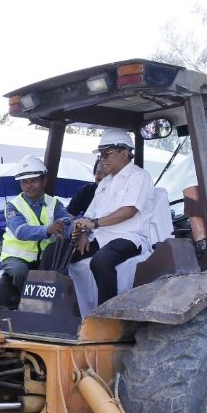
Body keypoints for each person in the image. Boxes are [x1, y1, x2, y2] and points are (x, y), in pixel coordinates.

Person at [70, 129, 154, 305]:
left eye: (106, 154)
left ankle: (107, 318)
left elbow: (129, 211)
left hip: (129, 237)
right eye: (101, 154)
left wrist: (94, 224)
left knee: (101, 262)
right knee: (61, 254)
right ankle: (67, 314)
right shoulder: (106, 181)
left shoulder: (139, 176)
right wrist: (84, 233)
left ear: (124, 153)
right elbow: (90, 214)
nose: (102, 159)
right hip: (101, 236)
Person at [0, 156, 73, 308]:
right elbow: (21, 231)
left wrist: (77, 229)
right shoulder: (12, 206)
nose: (28, 185)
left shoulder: (54, 203)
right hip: (15, 258)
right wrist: (48, 229)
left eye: (33, 180)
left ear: (44, 181)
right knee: (21, 272)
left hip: (43, 258)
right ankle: (28, 307)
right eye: (24, 181)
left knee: (59, 275)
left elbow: (66, 223)